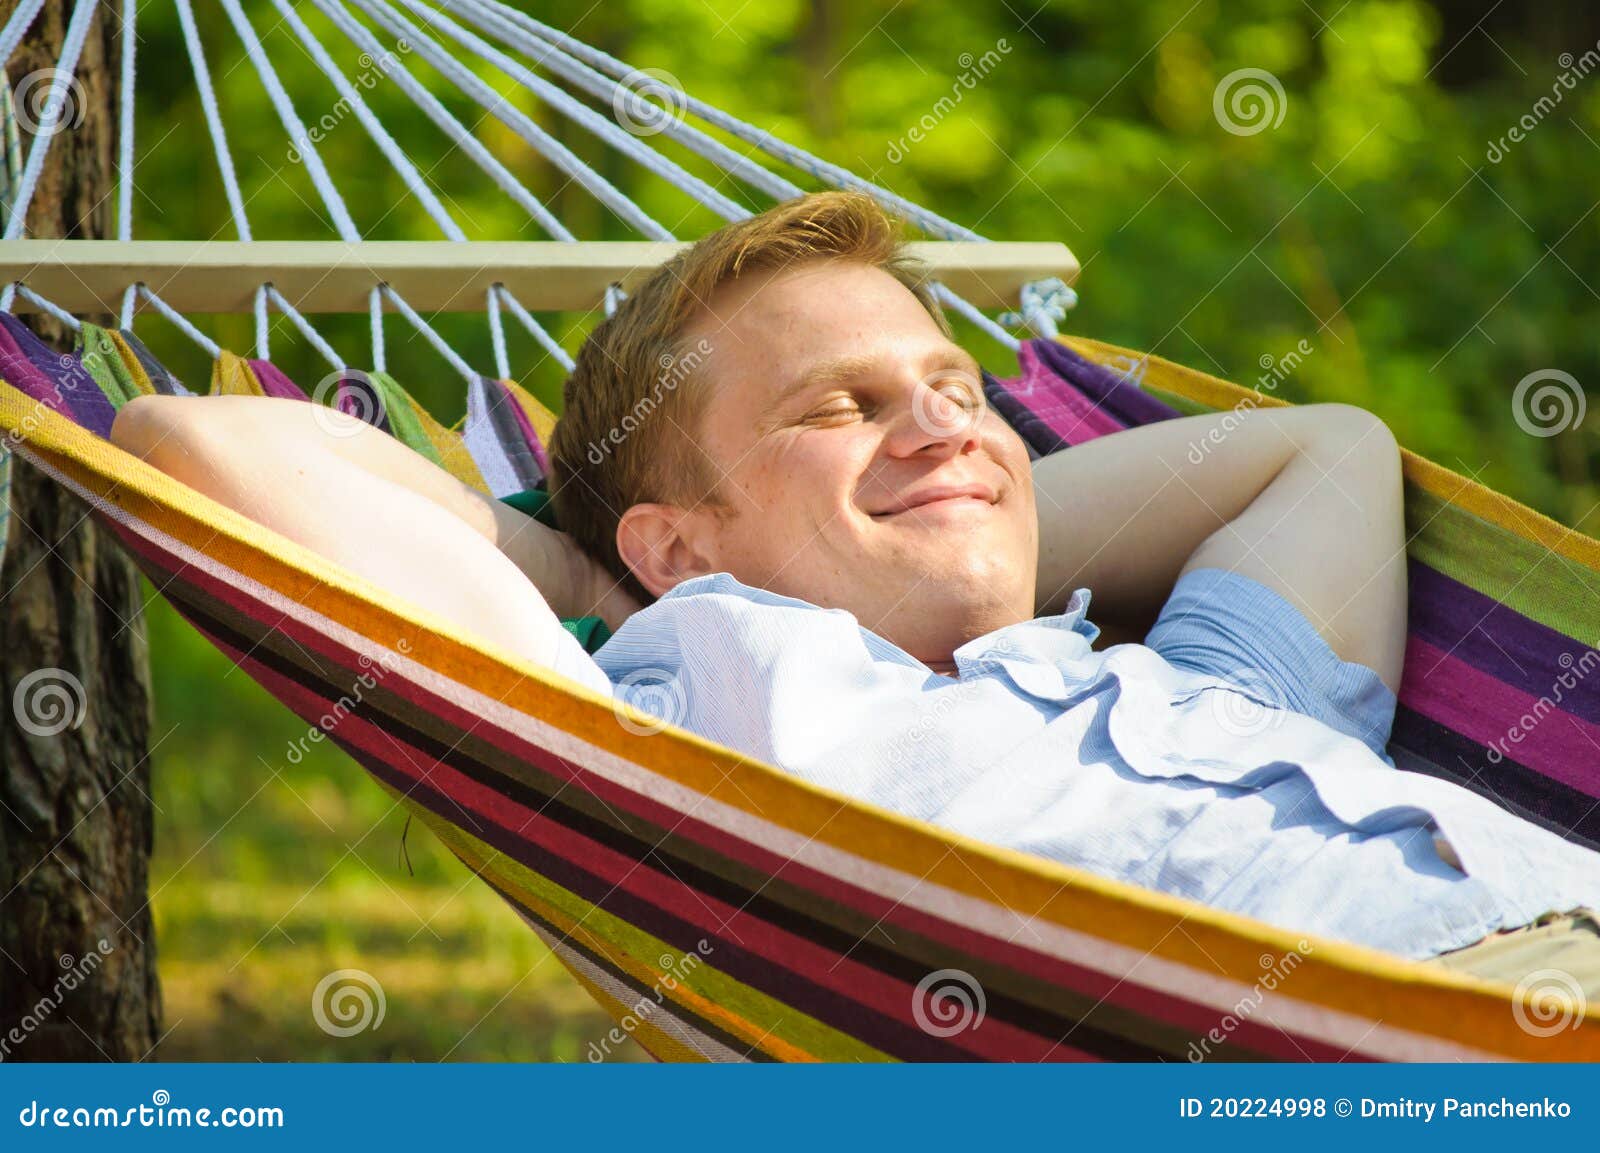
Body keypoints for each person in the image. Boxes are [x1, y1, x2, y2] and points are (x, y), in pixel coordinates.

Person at [111, 192, 1600, 1004]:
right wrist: (607, 570)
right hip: (1417, 1045)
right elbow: (197, 443)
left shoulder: (1197, 679)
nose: (950, 422)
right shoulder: (703, 709)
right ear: (671, 548)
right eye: (847, 403)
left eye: (963, 393)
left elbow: (1327, 451)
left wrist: (957, 501)